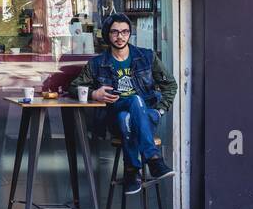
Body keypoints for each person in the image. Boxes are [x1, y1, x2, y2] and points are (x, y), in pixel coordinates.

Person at [68, 12, 178, 195]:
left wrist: (160, 110)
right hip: (113, 112)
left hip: (146, 114)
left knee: (127, 116)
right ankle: (153, 159)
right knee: (131, 104)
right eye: (115, 32)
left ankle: (131, 171)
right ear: (107, 34)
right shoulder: (97, 63)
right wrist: (95, 94)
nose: (120, 37)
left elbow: (170, 84)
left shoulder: (146, 57)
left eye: (125, 32)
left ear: (130, 34)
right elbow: (74, 87)